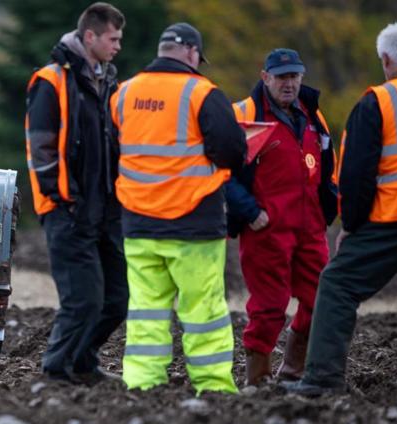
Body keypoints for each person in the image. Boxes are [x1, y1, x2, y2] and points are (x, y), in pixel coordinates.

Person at [285, 23, 397, 395]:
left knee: (337, 285)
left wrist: (352, 226)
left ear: (386, 60)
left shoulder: (379, 100)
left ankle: (322, 379)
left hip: (395, 217)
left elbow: (357, 175)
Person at [111, 22, 246, 394]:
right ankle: (213, 386)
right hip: (195, 226)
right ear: (191, 53)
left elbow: (111, 152)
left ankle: (141, 382)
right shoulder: (204, 93)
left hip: (138, 223)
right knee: (203, 311)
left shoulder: (123, 94)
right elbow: (233, 152)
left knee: (146, 311)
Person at [25, 2, 128, 385]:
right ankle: (55, 369)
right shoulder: (50, 81)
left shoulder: (106, 83)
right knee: (82, 301)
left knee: (117, 300)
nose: (117, 46)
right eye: (112, 38)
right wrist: (60, 198)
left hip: (105, 211)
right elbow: (41, 147)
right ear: (90, 36)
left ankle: (83, 362)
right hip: (67, 211)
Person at [226, 48, 337, 386]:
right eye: (281, 76)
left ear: (302, 76)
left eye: (294, 76)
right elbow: (221, 173)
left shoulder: (314, 115)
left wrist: (328, 208)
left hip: (310, 228)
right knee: (270, 305)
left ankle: (294, 370)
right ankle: (258, 381)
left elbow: (328, 166)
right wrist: (250, 211)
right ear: (265, 77)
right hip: (267, 229)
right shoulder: (246, 116)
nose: (289, 83)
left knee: (323, 299)